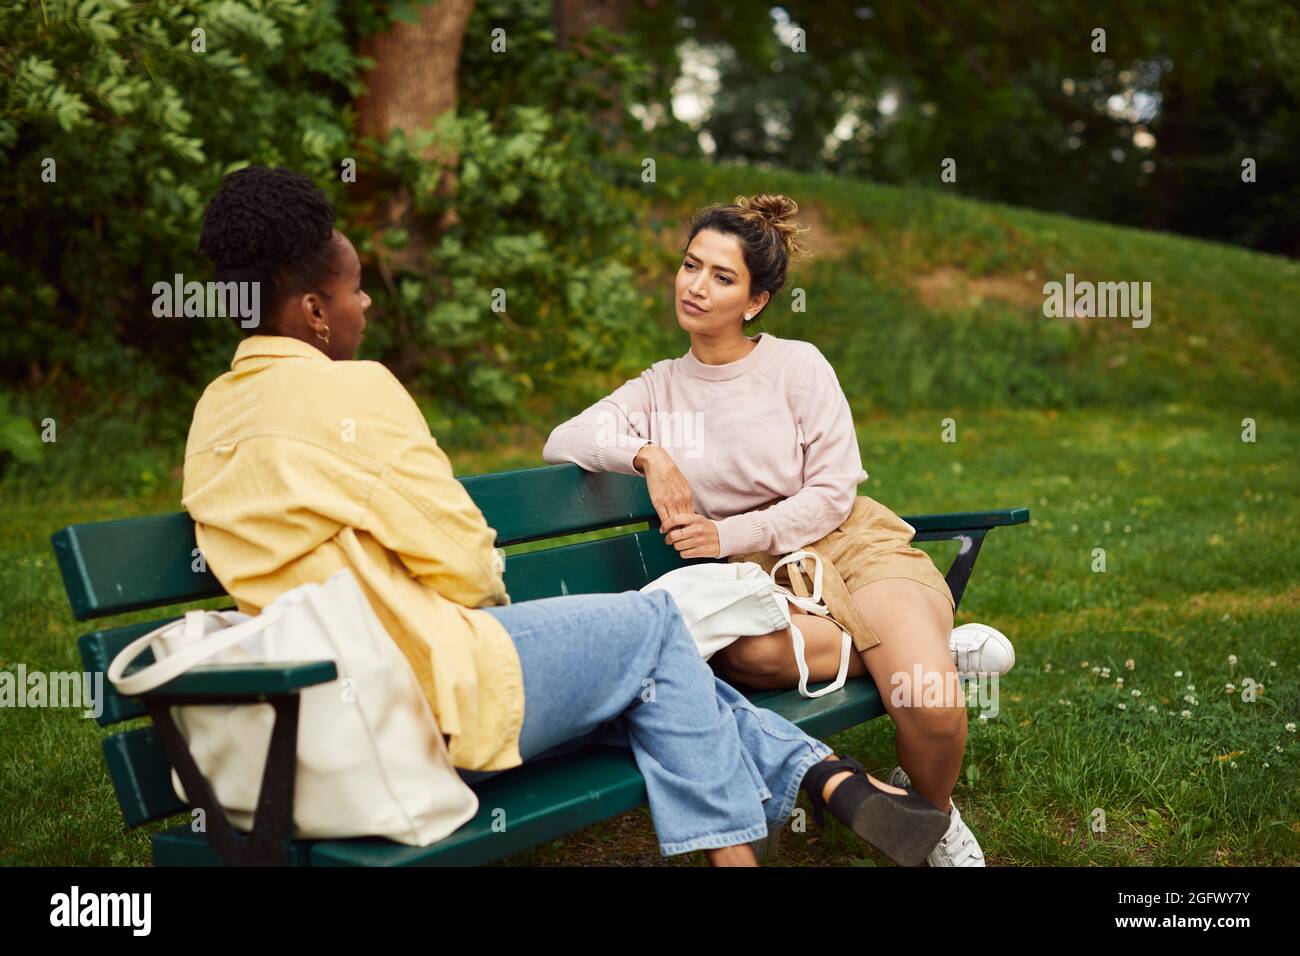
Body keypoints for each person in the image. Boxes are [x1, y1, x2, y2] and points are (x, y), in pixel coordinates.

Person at [181, 166, 951, 866]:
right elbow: (470, 567)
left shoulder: (212, 414)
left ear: (755, 299)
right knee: (649, 638)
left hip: (315, 690)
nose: (367, 303)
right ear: (315, 311)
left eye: (721, 275)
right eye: (355, 291)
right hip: (423, 682)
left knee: (646, 663)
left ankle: (831, 779)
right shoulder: (356, 393)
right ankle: (792, 812)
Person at [543, 193, 1001, 866]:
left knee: (928, 705)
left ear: (755, 301)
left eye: (721, 277)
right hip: (765, 579)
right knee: (749, 658)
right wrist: (650, 454)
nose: (696, 286)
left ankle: (930, 813)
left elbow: (830, 492)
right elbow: (565, 438)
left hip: (847, 545)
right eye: (691, 265)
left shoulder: (797, 365)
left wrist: (728, 536)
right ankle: (924, 641)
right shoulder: (659, 387)